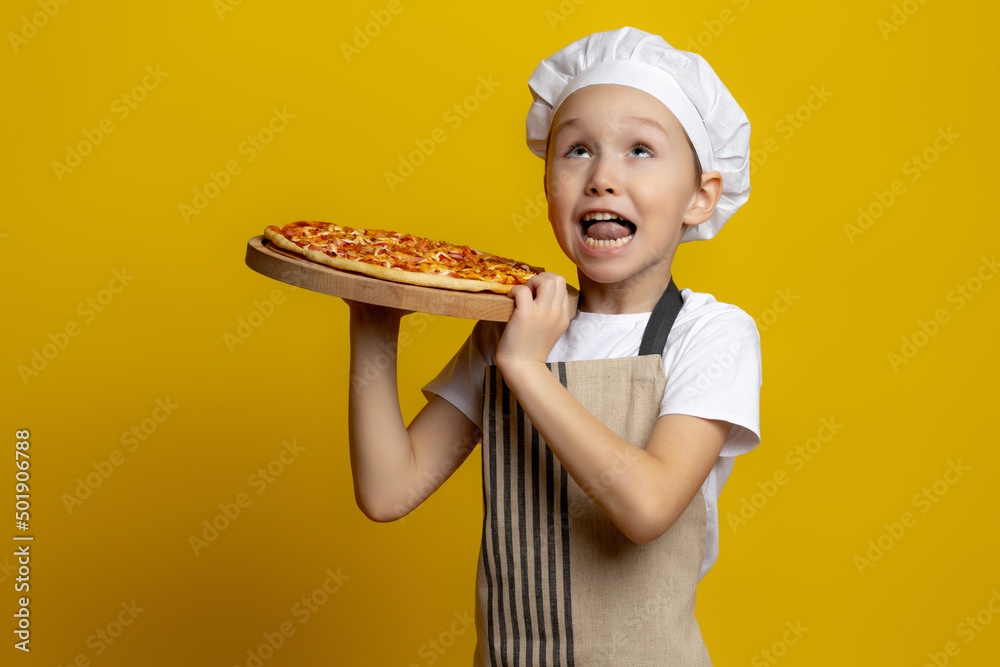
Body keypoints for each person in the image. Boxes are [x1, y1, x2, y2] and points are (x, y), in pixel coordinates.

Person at [347, 26, 761, 665]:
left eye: (641, 150)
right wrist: (374, 320)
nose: (602, 178)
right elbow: (388, 489)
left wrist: (524, 367)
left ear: (700, 197)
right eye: (576, 151)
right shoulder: (508, 323)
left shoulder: (709, 332)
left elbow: (647, 507)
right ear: (547, 186)